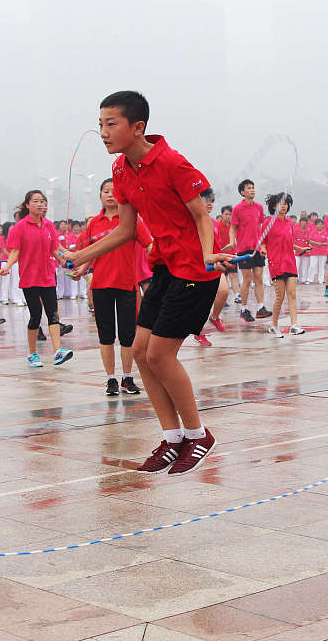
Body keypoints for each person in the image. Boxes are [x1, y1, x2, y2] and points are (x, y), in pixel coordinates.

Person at [64, 91, 233, 476]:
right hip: (165, 268)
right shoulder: (122, 171)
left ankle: (198, 434)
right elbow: (125, 230)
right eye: (101, 124)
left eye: (111, 124)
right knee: (140, 352)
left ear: (137, 127)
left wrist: (207, 252)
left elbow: (201, 216)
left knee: (159, 355)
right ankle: (174, 439)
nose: (103, 132)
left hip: (195, 271)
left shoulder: (173, 162)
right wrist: (82, 257)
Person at [78, 179, 151, 393]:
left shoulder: (131, 220)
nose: (110, 194)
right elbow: (91, 252)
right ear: (100, 195)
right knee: (106, 334)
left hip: (127, 282)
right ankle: (111, 379)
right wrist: (81, 269)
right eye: (105, 191)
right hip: (101, 284)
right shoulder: (94, 223)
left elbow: (149, 244)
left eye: (114, 191)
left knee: (128, 334)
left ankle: (127, 377)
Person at [0, 190, 74, 367]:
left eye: (43, 201)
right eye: (36, 201)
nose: (41, 204)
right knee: (35, 316)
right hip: (29, 278)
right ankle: (32, 353)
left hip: (48, 276)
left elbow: (54, 249)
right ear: (27, 205)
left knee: (52, 313)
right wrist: (7, 267)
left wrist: (63, 261)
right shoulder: (20, 227)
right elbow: (15, 251)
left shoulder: (48, 226)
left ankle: (58, 351)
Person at [262, 192, 308, 337]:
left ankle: (294, 325)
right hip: (276, 263)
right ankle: (274, 325)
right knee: (279, 297)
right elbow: (262, 242)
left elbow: (290, 242)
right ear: (274, 205)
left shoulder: (289, 222)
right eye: (280, 203)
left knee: (292, 294)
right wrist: (263, 251)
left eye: (286, 203)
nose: (283, 206)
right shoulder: (268, 222)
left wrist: (300, 248)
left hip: (289, 262)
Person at [192, 188, 231, 347]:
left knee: (223, 291)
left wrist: (221, 255)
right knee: (200, 302)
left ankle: (214, 317)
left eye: (212, 200)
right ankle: (198, 333)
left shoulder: (213, 222)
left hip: (213, 264)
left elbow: (215, 245)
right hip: (196, 267)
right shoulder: (192, 220)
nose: (209, 203)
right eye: (206, 199)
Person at [232, 179, 270, 322]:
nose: (252, 190)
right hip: (243, 249)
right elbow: (233, 228)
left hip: (257, 248)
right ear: (242, 192)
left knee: (259, 278)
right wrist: (232, 242)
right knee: (247, 279)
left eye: (253, 187)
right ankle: (244, 309)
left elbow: (260, 225)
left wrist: (263, 245)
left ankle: (261, 307)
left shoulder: (259, 207)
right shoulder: (237, 209)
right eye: (249, 188)